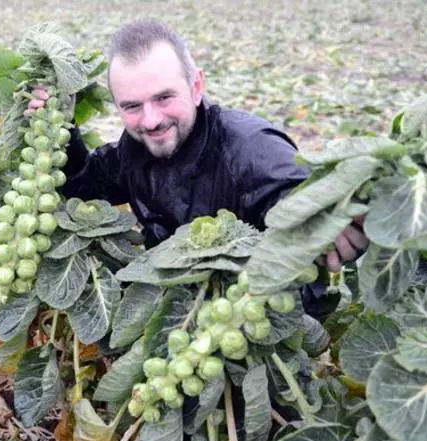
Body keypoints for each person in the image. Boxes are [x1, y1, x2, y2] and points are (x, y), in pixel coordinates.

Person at [29, 19, 368, 277]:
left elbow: (297, 203)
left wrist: (328, 223)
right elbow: (83, 187)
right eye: (132, 106)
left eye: (164, 97)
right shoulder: (135, 148)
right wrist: (63, 127)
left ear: (196, 87)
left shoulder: (252, 151)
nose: (150, 120)